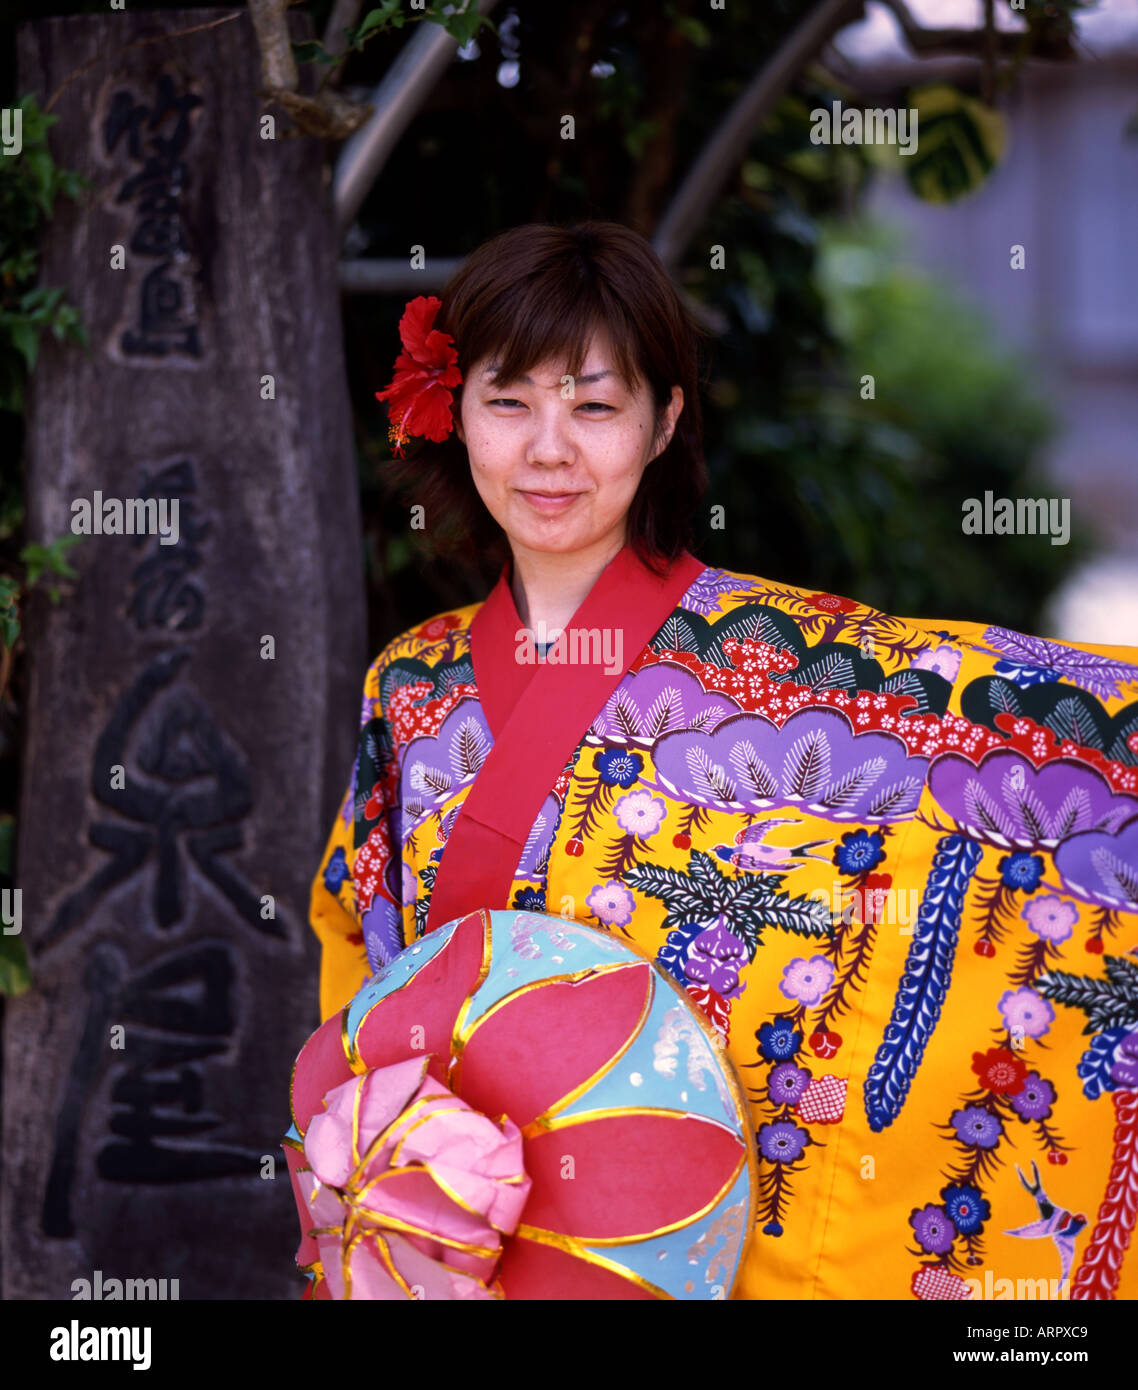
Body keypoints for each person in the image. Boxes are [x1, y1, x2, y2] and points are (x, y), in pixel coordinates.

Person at [309, 220, 1138, 1300]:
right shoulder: (411, 687)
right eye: (508, 401)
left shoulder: (806, 671)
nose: (548, 447)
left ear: (662, 424)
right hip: (484, 1249)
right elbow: (372, 991)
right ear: (453, 413)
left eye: (595, 404)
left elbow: (1042, 737)